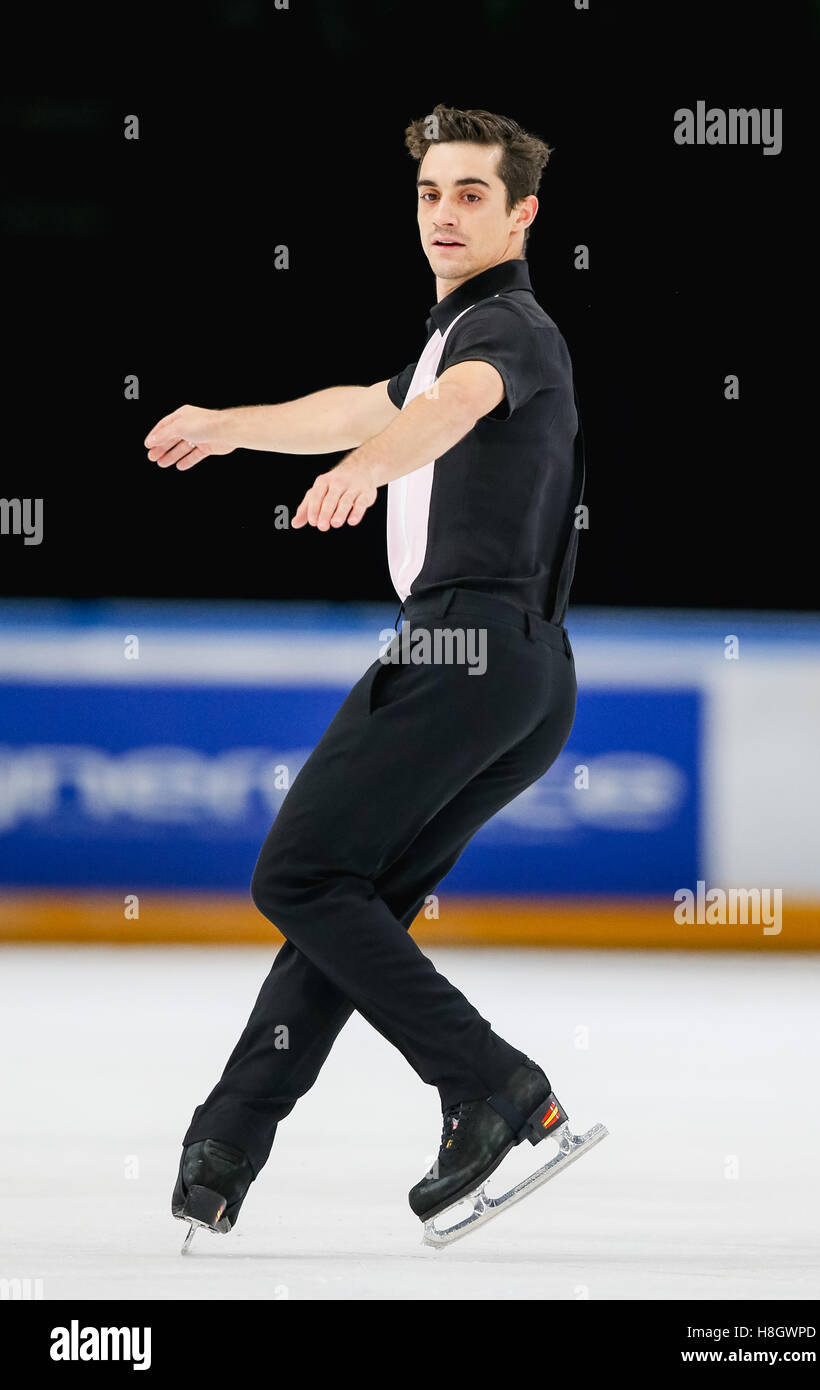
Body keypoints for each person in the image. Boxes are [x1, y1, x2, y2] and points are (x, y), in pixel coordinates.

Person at [144, 103, 585, 1242]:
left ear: (520, 213)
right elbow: (378, 400)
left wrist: (363, 469)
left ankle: (491, 1081)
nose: (445, 212)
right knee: (348, 895)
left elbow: (442, 414)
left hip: (466, 647)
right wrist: (232, 424)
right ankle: (225, 1147)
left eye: (472, 195)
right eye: (431, 193)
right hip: (518, 670)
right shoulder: (454, 329)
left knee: (295, 873)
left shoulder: (511, 327)